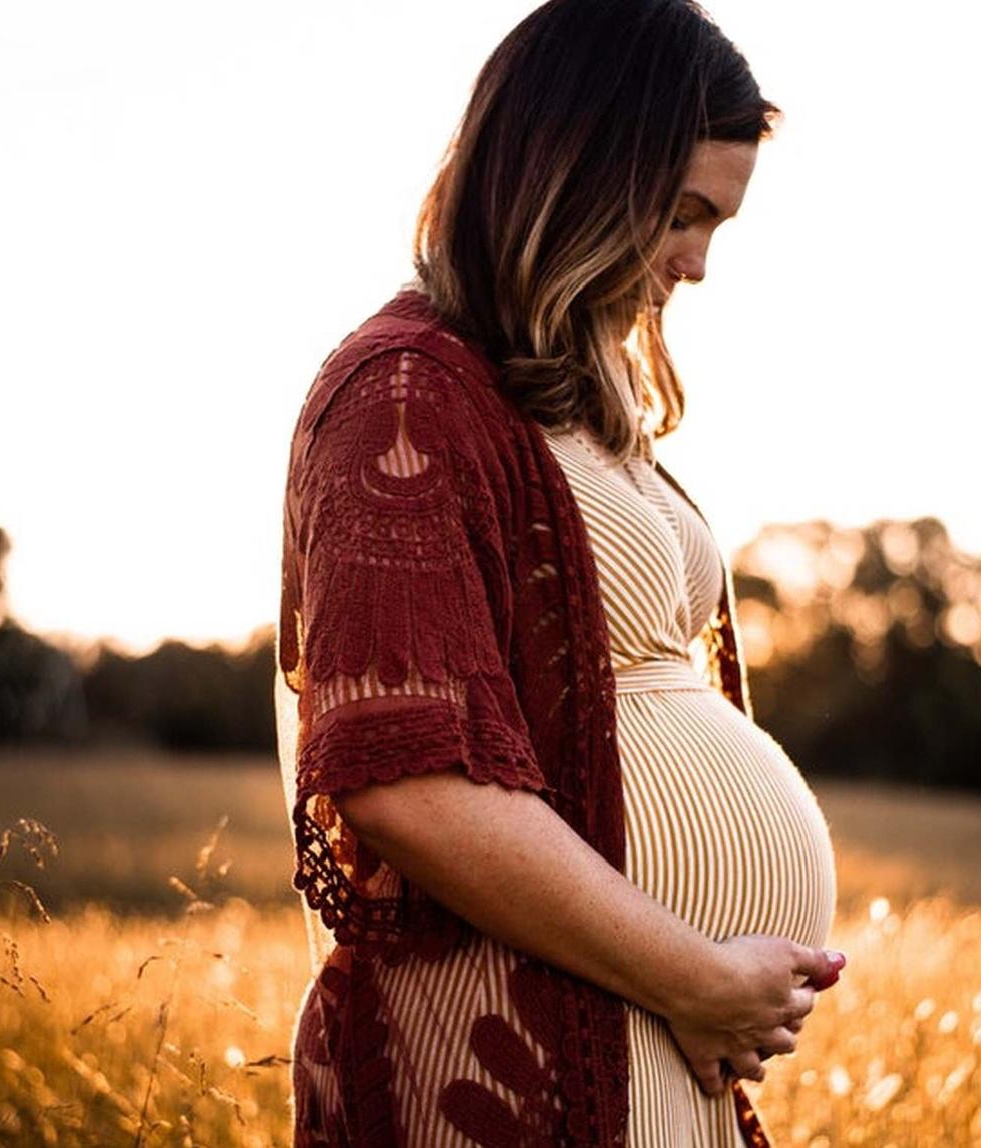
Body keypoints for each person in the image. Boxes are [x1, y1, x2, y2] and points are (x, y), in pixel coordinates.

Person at [275, 1, 843, 1144]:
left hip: (640, 1031)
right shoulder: (402, 393)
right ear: (574, 170)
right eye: (682, 216)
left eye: (717, 227)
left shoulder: (566, 396)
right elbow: (406, 779)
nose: (695, 265)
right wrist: (693, 972)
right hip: (508, 1048)